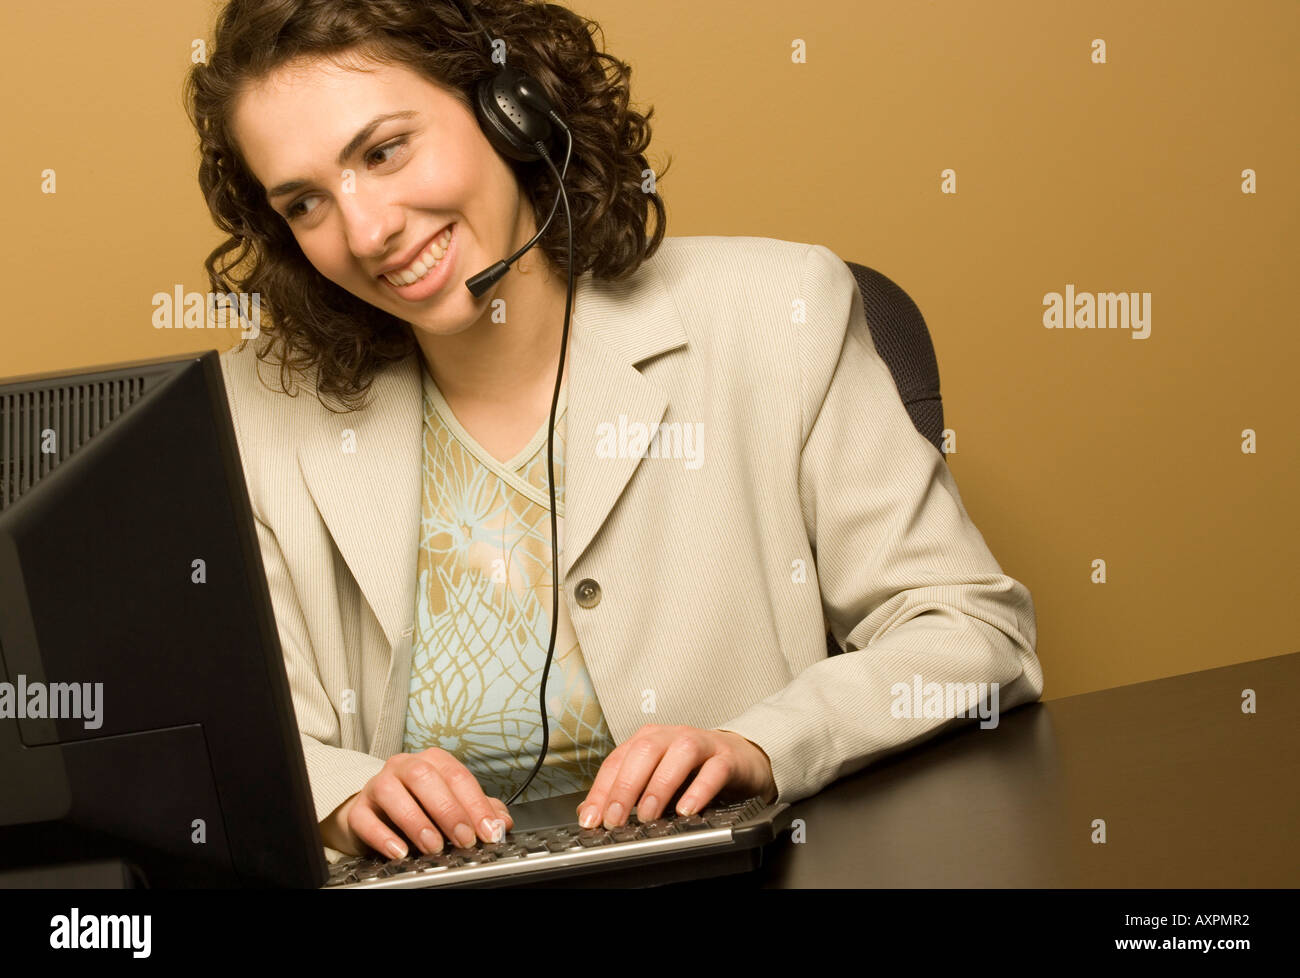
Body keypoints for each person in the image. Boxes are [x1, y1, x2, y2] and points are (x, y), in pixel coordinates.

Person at [186, 0, 1045, 864]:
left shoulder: (781, 312)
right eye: (305, 203)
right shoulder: (247, 415)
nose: (367, 231)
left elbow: (970, 631)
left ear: (509, 109)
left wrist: (763, 746)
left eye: (383, 151)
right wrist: (339, 797)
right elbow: (221, 743)